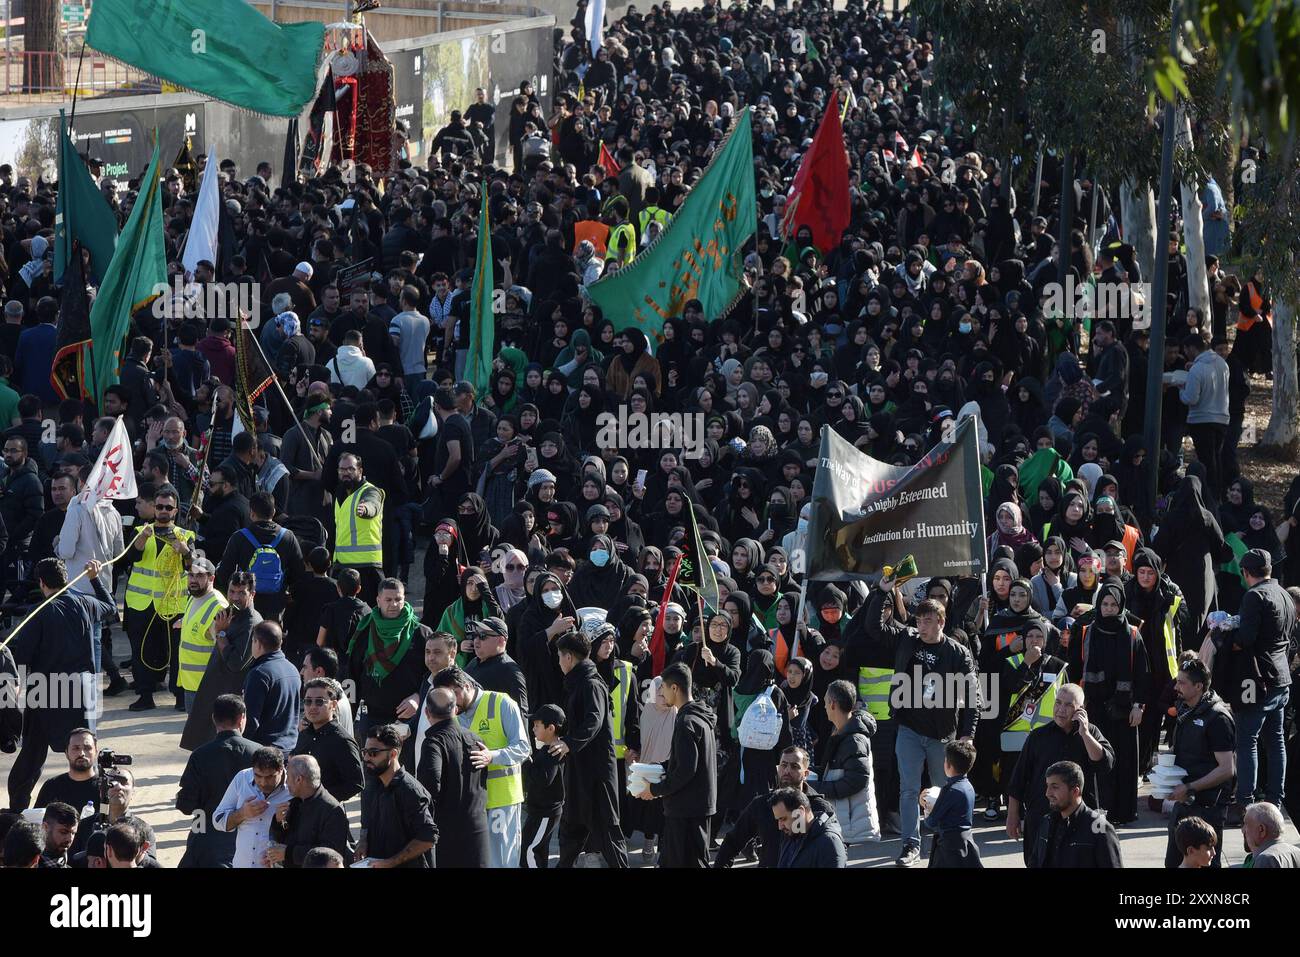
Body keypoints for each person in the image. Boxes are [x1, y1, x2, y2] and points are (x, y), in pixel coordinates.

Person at [865, 577, 979, 867]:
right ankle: (910, 845)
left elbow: (974, 696)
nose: (921, 626)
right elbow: (875, 628)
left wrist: (967, 733)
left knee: (943, 790)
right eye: (919, 620)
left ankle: (944, 841)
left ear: (940, 621)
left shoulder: (958, 653)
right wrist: (882, 591)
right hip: (909, 729)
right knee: (909, 789)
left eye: (928, 621)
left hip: (943, 735)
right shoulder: (908, 639)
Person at [5, 558, 117, 810]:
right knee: (86, 752)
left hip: (47, 691)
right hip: (84, 691)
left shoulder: (38, 613)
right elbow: (110, 606)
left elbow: (21, 657)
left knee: (32, 756)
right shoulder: (85, 603)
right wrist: (94, 578)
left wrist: (15, 682)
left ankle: (17, 808)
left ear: (42, 583)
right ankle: (100, 807)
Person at [1006, 683, 1114, 865]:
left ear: (1081, 709)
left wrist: (1085, 734)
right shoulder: (1038, 737)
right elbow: (1018, 778)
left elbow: (1105, 763)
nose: (1061, 710)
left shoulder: (1091, 732)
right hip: (1041, 817)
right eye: (1058, 703)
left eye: (1068, 705)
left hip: (1079, 820)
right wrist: (1012, 815)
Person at [433, 664, 530, 867]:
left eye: (455, 694)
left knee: (502, 861)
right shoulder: (452, 713)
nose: (452, 701)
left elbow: (523, 748)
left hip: (501, 801)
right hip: (470, 804)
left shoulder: (501, 702)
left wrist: (491, 756)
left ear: (467, 685)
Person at [553, 631, 629, 868]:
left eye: (559, 657)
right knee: (571, 829)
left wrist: (569, 743)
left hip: (596, 774)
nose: (558, 662)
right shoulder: (578, 682)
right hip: (579, 771)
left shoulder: (591, 683)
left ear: (568, 658)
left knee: (607, 830)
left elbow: (593, 721)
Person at [1229, 549, 1294, 814]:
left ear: (1246, 573)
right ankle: (1276, 799)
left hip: (1259, 679)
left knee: (1248, 740)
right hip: (1281, 677)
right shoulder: (1285, 594)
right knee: (1276, 740)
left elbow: (1246, 638)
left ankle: (1245, 802)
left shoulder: (1254, 596)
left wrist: (1230, 638)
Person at [635, 661, 716, 868]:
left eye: (662, 687)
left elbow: (686, 770)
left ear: (674, 688)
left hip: (686, 809)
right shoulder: (699, 716)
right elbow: (685, 760)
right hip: (696, 806)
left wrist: (654, 789)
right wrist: (660, 766)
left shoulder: (686, 721)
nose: (661, 692)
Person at [125, 483, 196, 712]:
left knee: (176, 652)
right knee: (141, 651)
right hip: (141, 603)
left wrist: (186, 552)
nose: (163, 511)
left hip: (172, 604)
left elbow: (194, 568)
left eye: (168, 507)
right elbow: (129, 560)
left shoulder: (185, 535)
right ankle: (145, 694)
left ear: (175, 511)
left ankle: (179, 696)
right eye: (159, 507)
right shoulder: (139, 532)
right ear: (154, 508)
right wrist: (141, 540)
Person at [1163, 656, 1235, 868]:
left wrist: (1189, 787)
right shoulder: (1186, 709)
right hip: (1184, 805)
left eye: (1182, 682)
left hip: (1207, 807)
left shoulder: (1217, 718)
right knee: (1174, 863)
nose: (1176, 686)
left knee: (1206, 864)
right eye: (1177, 681)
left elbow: (1226, 769)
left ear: (1199, 686)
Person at [180, 571, 263, 752]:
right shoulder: (230, 614)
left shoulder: (250, 623)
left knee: (220, 748)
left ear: (252, 594)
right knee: (203, 746)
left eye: (242, 593)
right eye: (232, 592)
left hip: (229, 696)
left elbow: (236, 663)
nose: (235, 597)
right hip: (212, 688)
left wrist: (221, 633)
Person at [714, 745, 834, 868]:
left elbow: (834, 849)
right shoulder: (762, 805)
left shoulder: (820, 808)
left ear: (806, 773)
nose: (787, 770)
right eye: (784, 765)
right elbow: (732, 841)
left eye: (794, 766)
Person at [176, 694, 260, 868]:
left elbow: (186, 804)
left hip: (205, 837)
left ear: (214, 718)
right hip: (248, 840)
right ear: (241, 718)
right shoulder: (259, 753)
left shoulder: (200, 755)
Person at [415, 686, 490, 868]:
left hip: (447, 835)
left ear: (426, 712)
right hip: (478, 829)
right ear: (455, 710)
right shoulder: (476, 740)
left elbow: (429, 788)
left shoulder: (434, 743)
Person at [358, 723, 437, 868]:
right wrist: (363, 841)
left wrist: (390, 862)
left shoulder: (410, 791)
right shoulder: (372, 786)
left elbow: (428, 838)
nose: (367, 758)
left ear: (393, 754)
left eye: (373, 753)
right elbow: (366, 822)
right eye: (365, 752)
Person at [818, 678, 880, 844]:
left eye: (825, 702)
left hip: (853, 827)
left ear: (832, 704)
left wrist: (816, 788)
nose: (824, 706)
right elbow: (830, 771)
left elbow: (855, 781)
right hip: (845, 823)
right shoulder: (840, 733)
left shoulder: (854, 740)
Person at [1028, 760, 1123, 868]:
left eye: (1055, 787)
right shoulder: (1046, 822)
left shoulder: (1100, 828)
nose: (1048, 793)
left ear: (1075, 791)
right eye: (1047, 786)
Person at [212, 745, 292, 869]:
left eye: (270, 777)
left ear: (281, 769)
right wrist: (242, 813)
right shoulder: (242, 778)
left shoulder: (293, 786)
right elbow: (217, 821)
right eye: (258, 776)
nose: (263, 783)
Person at [266, 755, 353, 867]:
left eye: (288, 778)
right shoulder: (294, 803)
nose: (286, 783)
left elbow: (331, 855)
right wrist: (279, 822)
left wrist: (288, 853)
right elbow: (283, 838)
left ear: (299, 779)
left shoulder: (332, 811)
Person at [293, 677, 364, 803]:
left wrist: (320, 798)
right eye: (308, 701)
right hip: (301, 810)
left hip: (327, 814)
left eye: (320, 702)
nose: (313, 707)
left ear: (333, 705)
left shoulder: (341, 740)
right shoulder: (305, 734)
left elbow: (356, 784)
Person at [175, 556, 229, 714]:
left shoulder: (218, 607)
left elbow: (223, 646)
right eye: (191, 575)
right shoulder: (194, 597)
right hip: (190, 682)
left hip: (206, 686)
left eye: (199, 576)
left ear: (211, 578)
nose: (193, 580)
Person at [921, 739, 981, 868]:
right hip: (966, 842)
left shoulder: (950, 789)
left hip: (949, 848)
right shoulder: (968, 786)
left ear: (948, 764)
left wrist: (925, 804)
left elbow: (931, 822)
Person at [242, 622, 302, 750]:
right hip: (290, 746)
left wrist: (242, 748)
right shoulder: (293, 669)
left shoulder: (259, 673)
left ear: (257, 643)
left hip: (264, 751)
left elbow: (250, 721)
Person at [520, 703, 566, 869]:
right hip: (539, 810)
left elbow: (543, 779)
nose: (533, 729)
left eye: (536, 725)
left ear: (551, 728)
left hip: (546, 811)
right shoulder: (547, 749)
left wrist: (526, 763)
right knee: (537, 850)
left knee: (529, 851)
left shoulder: (552, 751)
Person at [768, 786, 847, 868]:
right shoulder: (791, 835)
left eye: (783, 819)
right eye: (778, 820)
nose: (780, 827)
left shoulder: (828, 842)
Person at [465, 615, 528, 711]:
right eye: (475, 635)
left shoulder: (510, 671)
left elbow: (521, 713)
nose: (476, 640)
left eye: (482, 636)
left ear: (501, 641)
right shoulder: (473, 663)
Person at [1242, 802, 1300, 867]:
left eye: (1246, 825)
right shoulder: (1297, 852)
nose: (1243, 830)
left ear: (1262, 830)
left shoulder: (1266, 859)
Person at [40, 802, 79, 867]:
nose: (70, 839)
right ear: (45, 827)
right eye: (63, 832)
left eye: (73, 833)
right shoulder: (26, 862)